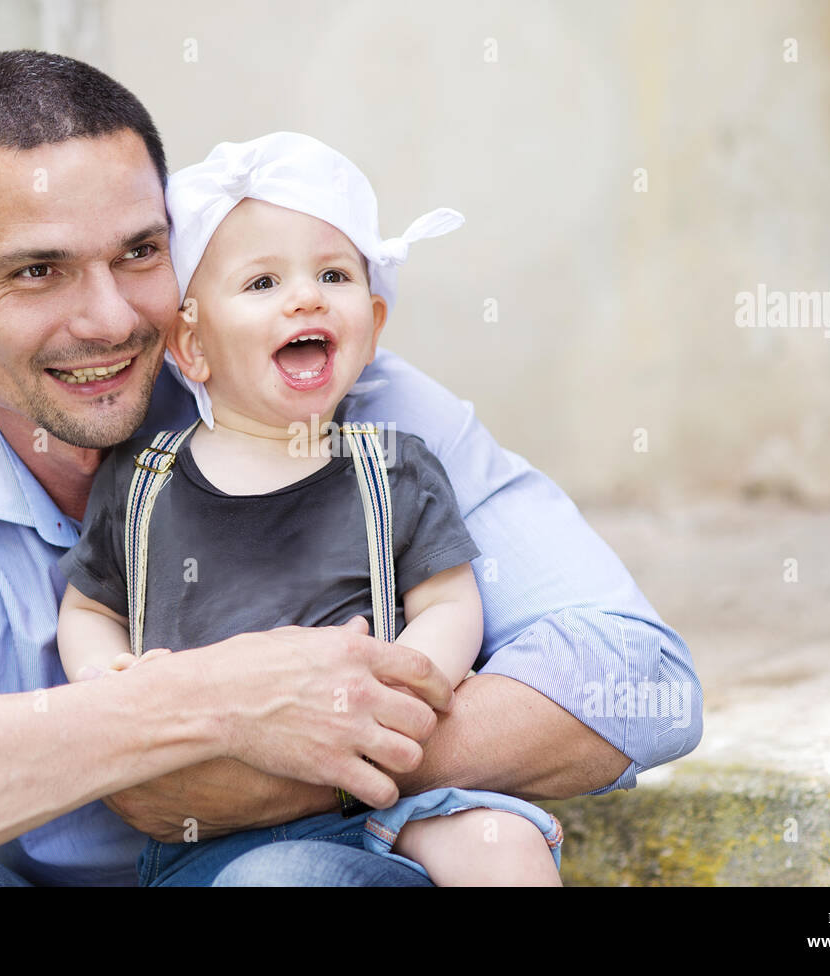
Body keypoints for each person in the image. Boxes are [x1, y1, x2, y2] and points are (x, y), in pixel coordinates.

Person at [0, 50, 701, 887]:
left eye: (141, 252)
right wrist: (183, 716)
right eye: (36, 271)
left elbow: (635, 674)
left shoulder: (330, 408)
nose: (108, 317)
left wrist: (299, 754)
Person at [57, 131, 564, 886]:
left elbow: (451, 599)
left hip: (391, 799)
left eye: (333, 274)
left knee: (503, 846)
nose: (305, 296)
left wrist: (404, 682)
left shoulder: (391, 468)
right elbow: (90, 609)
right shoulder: (143, 482)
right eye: (262, 284)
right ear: (190, 347)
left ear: (372, 328)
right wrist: (108, 679)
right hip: (221, 834)